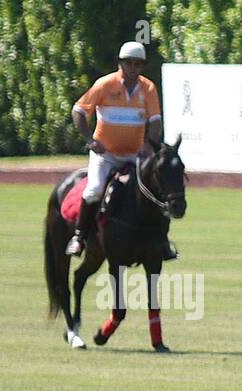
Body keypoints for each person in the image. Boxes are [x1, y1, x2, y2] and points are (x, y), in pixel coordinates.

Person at [65, 41, 176, 258]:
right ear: (120, 63)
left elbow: (155, 122)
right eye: (129, 63)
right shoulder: (105, 85)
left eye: (138, 64)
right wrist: (90, 139)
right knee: (94, 189)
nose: (133, 68)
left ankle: (162, 242)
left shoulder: (148, 88)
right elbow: (78, 111)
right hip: (106, 155)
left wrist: (148, 144)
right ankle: (79, 237)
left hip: (136, 155)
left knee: (156, 191)